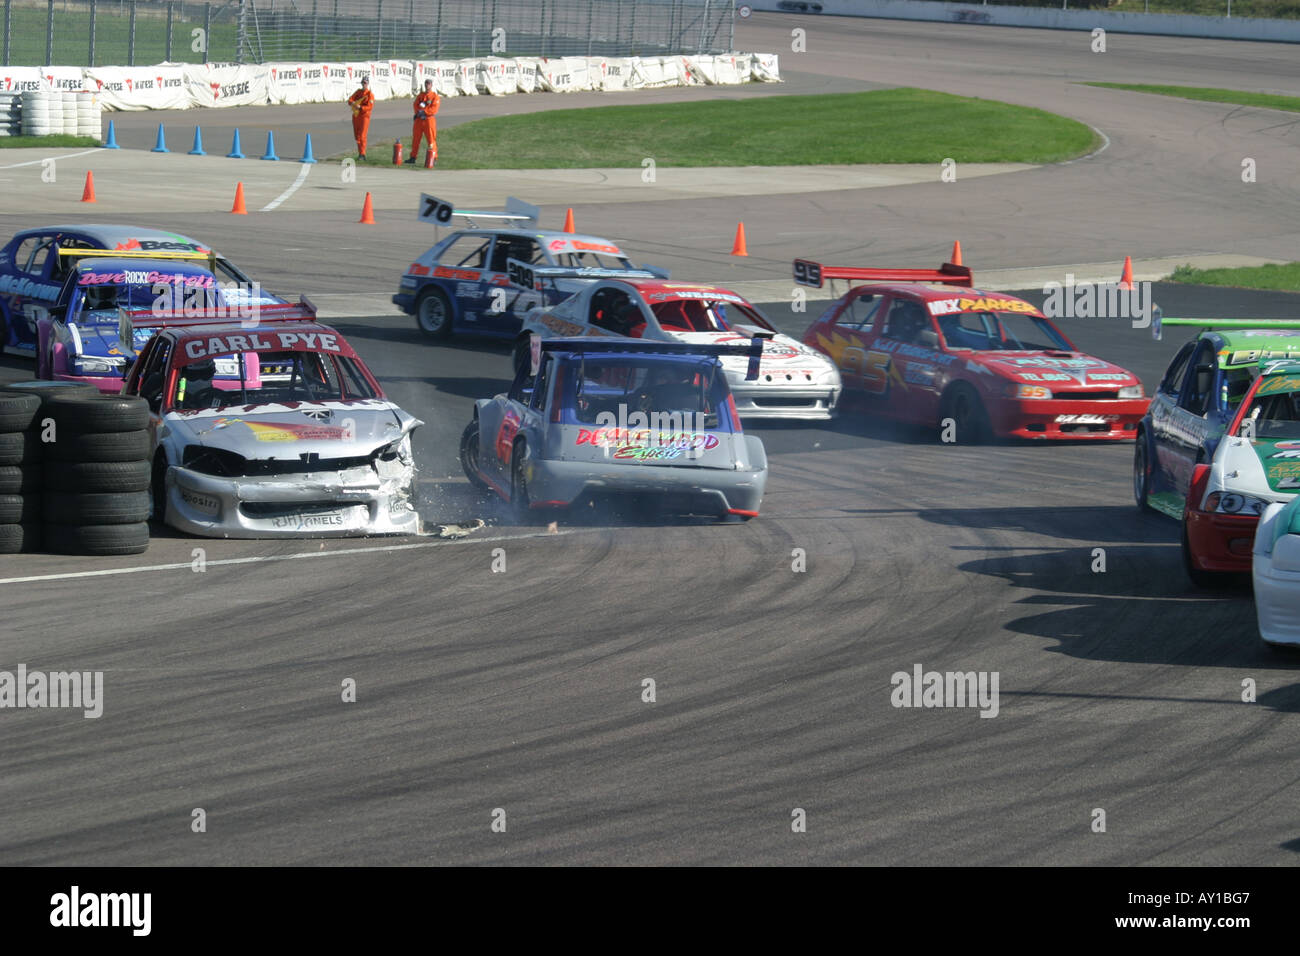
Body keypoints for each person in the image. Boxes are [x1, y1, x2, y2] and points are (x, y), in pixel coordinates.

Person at [407, 78, 440, 166]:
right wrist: (418, 112)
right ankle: (413, 157)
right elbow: (415, 104)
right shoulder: (421, 95)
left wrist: (424, 112)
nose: (427, 85)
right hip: (419, 119)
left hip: (429, 120)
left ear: (431, 85)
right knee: (415, 139)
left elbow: (434, 109)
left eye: (429, 84)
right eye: (426, 83)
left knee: (431, 140)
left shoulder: (434, 96)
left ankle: (434, 157)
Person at [347, 75, 374, 159]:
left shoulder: (370, 94)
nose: (364, 84)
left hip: (364, 117)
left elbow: (370, 107)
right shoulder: (358, 92)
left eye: (365, 83)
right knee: (357, 136)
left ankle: (363, 154)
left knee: (362, 136)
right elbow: (350, 100)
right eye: (363, 83)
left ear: (368, 83)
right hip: (356, 116)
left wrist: (361, 107)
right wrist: (353, 103)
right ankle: (360, 154)